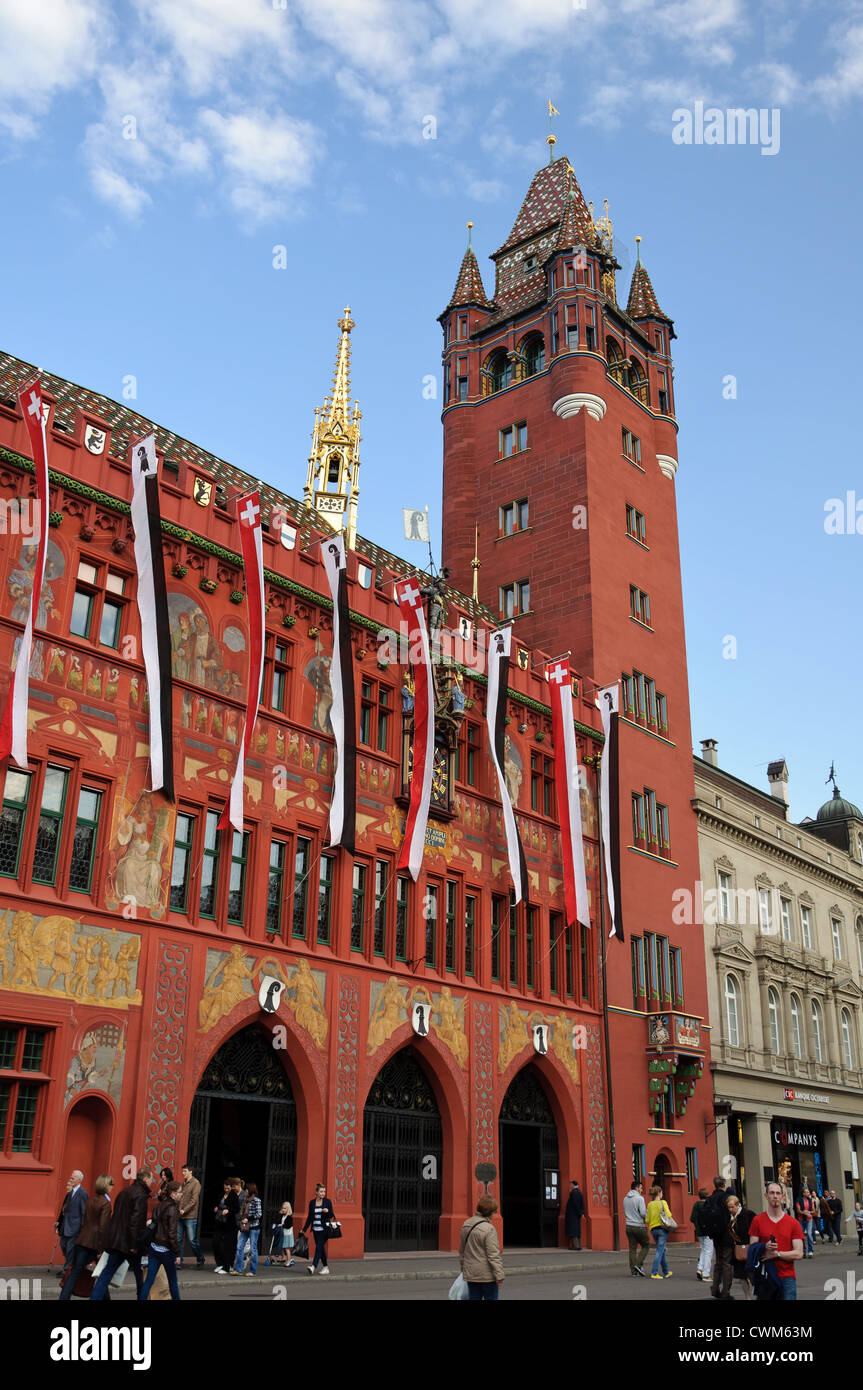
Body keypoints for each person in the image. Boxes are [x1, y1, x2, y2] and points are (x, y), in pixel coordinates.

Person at [90, 1165, 154, 1299]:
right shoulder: (141, 1195)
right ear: (145, 1178)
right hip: (129, 1242)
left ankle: (94, 1298)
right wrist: (134, 1244)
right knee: (139, 1273)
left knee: (107, 1272)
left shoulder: (124, 1191)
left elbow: (117, 1217)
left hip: (117, 1240)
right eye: (151, 1178)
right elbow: (136, 1222)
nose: (151, 1182)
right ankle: (141, 1297)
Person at [59, 1175, 113, 1301]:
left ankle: (63, 1297)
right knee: (101, 1273)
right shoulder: (106, 1203)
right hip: (95, 1243)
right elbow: (103, 1227)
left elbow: (85, 1221)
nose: (112, 1187)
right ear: (106, 1186)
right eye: (111, 1184)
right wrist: (101, 1249)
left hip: (83, 1240)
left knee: (75, 1271)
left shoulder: (91, 1200)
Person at [748, 1180, 804, 1301]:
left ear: (782, 1196)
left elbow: (799, 1253)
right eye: (772, 1193)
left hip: (787, 1277)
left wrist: (777, 1254)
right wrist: (764, 1247)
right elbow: (752, 1249)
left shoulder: (793, 1223)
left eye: (778, 1193)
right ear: (766, 1196)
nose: (775, 1196)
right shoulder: (757, 1221)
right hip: (766, 1276)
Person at [138, 1179, 182, 1301]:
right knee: (172, 1281)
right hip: (166, 1250)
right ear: (173, 1194)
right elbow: (172, 1234)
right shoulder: (172, 1209)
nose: (181, 1194)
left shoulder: (159, 1205)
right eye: (180, 1192)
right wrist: (177, 1252)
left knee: (149, 1281)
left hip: (154, 1247)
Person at [459, 1194, 504, 1300]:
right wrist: (499, 1275)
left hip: (471, 1274)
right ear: (490, 1212)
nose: (495, 1213)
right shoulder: (489, 1229)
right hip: (487, 1276)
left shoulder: (466, 1224)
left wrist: (463, 1270)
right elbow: (493, 1255)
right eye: (494, 1211)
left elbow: (462, 1251)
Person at [705, 1175, 735, 1300]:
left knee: (718, 1261)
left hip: (715, 1234)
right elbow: (734, 1214)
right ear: (724, 1185)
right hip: (727, 1234)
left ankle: (715, 1288)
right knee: (727, 1263)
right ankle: (725, 1291)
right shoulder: (727, 1198)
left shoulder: (710, 1199)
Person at [301, 1182, 336, 1275]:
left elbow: (331, 1214)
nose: (323, 1193)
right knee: (321, 1249)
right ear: (316, 1192)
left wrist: (327, 1211)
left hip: (324, 1230)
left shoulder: (327, 1202)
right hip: (315, 1229)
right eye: (321, 1191)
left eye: (324, 1191)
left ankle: (313, 1266)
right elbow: (309, 1217)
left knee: (318, 1247)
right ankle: (326, 1267)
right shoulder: (312, 1203)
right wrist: (304, 1229)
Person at [727, 1193, 756, 1301]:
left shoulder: (748, 1214)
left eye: (732, 1207)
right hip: (738, 1250)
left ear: (738, 1205)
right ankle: (747, 1297)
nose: (730, 1209)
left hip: (749, 1248)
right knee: (742, 1277)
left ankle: (758, 1294)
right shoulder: (730, 1219)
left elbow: (756, 1230)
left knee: (752, 1275)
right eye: (728, 1207)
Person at [231, 1181, 262, 1277]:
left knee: (253, 1249)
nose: (246, 1191)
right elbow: (242, 1212)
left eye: (247, 1189)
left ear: (250, 1190)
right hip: (245, 1227)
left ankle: (253, 1271)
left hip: (254, 1227)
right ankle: (239, 1269)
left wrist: (248, 1219)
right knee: (239, 1247)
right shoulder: (245, 1200)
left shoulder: (256, 1200)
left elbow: (259, 1214)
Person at [177, 1163, 204, 1267]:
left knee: (192, 1240)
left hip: (190, 1216)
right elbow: (180, 1198)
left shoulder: (196, 1183)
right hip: (181, 1215)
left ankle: (200, 1258)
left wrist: (184, 1210)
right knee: (178, 1239)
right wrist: (179, 1209)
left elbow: (194, 1200)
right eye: (182, 1171)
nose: (183, 1173)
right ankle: (179, 1262)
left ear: (190, 1172)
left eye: (185, 1171)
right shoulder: (183, 1184)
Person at [646, 1184, 673, 1280]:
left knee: (661, 1250)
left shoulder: (649, 1204)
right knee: (660, 1250)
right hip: (662, 1229)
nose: (662, 1194)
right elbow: (669, 1214)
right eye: (661, 1192)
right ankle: (654, 1272)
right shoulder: (663, 1202)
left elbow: (647, 1219)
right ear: (659, 1193)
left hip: (653, 1229)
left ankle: (666, 1271)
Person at [623, 1180, 650, 1277]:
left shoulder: (625, 1198)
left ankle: (633, 1272)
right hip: (638, 1226)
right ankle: (638, 1264)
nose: (642, 1190)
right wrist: (647, 1218)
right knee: (646, 1245)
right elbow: (643, 1213)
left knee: (632, 1249)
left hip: (628, 1226)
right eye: (641, 1188)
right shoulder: (640, 1198)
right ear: (637, 1187)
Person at [60, 1170, 88, 1263]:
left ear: (79, 1180)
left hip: (75, 1227)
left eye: (73, 1177)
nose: (70, 1179)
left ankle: (66, 1270)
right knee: (63, 1245)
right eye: (71, 1177)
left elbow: (84, 1212)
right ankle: (70, 1266)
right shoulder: (70, 1193)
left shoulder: (83, 1193)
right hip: (65, 1226)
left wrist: (83, 1229)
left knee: (70, 1249)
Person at [690, 1186, 713, 1282]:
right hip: (708, 1231)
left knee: (703, 1250)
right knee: (709, 1252)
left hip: (699, 1231)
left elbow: (692, 1218)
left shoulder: (696, 1205)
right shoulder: (708, 1205)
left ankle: (700, 1268)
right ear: (707, 1195)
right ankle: (706, 1274)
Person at [213, 1179, 234, 1274]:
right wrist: (217, 1208)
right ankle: (220, 1263)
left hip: (228, 1223)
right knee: (215, 1243)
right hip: (219, 1221)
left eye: (228, 1187)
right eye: (225, 1187)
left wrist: (228, 1211)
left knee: (226, 1246)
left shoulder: (233, 1196)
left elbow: (236, 1208)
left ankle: (227, 1266)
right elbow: (217, 1204)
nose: (226, 1189)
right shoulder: (221, 1195)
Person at [794, 1186, 816, 1257]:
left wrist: (809, 1212)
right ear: (803, 1193)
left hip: (809, 1219)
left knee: (809, 1234)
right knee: (802, 1235)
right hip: (801, 1219)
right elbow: (798, 1210)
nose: (808, 1193)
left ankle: (810, 1251)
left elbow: (814, 1210)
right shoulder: (799, 1200)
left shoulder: (810, 1200)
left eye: (808, 1192)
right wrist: (804, 1212)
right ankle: (803, 1251)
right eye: (807, 1192)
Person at [564, 1180, 585, 1251]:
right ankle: (578, 1245)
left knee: (573, 1230)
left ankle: (576, 1246)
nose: (570, 1186)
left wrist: (579, 1212)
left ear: (573, 1185)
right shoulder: (579, 1193)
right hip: (577, 1214)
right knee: (576, 1230)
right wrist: (581, 1213)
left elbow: (575, 1204)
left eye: (571, 1185)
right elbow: (581, 1204)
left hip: (573, 1214)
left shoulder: (573, 1193)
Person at [275, 1201, 296, 1267]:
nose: (283, 1210)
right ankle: (283, 1257)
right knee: (281, 1246)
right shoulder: (282, 1216)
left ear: (288, 1209)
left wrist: (282, 1225)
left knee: (287, 1248)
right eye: (282, 1208)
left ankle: (288, 1260)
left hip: (288, 1234)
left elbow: (288, 1225)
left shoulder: (289, 1217)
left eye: (285, 1208)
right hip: (282, 1234)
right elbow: (278, 1221)